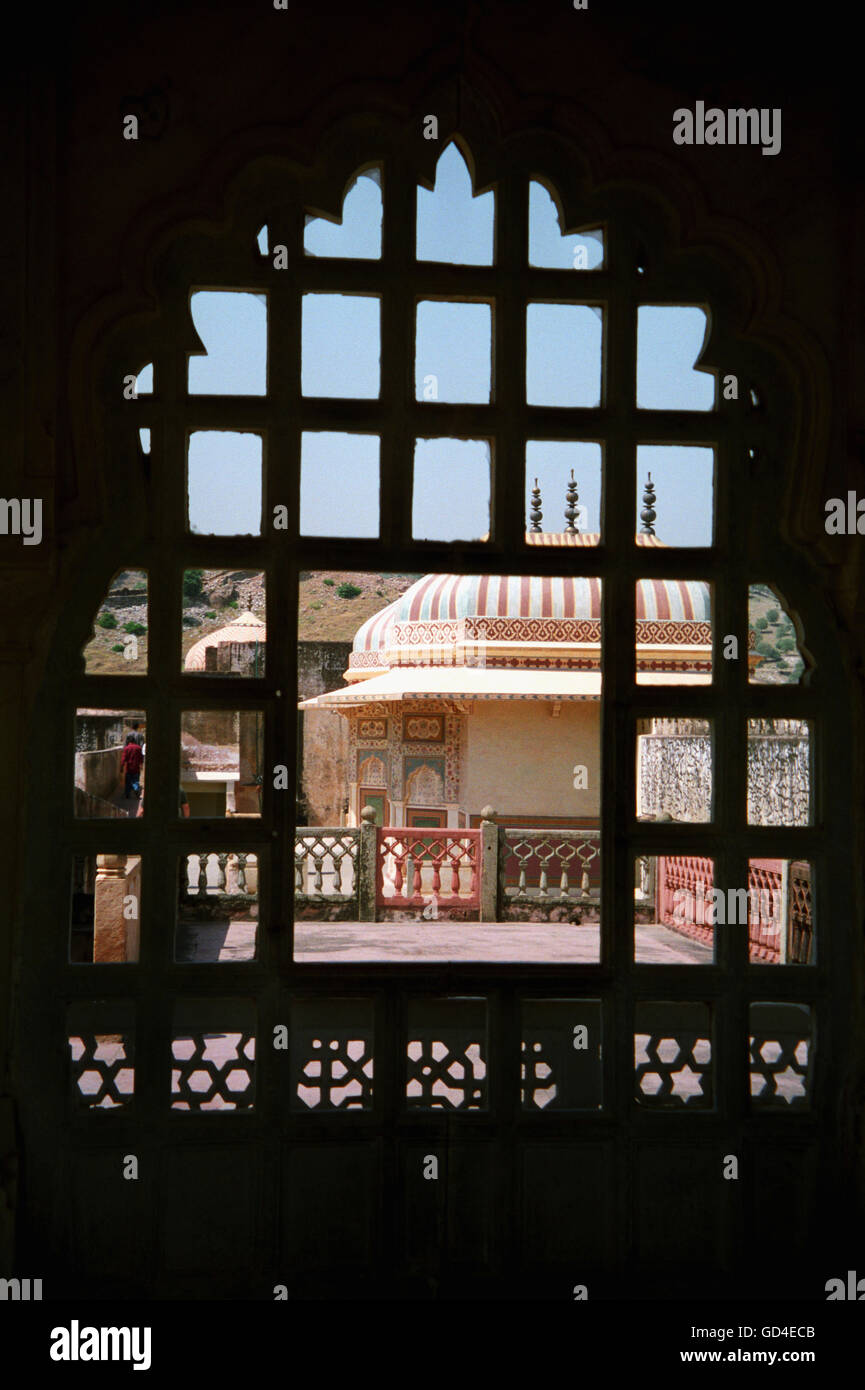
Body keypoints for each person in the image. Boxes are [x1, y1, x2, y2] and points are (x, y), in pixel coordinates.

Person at [120, 734, 144, 799]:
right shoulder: (139, 748)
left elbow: (123, 759)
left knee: (128, 782)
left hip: (128, 768)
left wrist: (121, 767)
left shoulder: (126, 748)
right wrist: (141, 766)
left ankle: (127, 794)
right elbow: (141, 758)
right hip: (136, 768)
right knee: (136, 780)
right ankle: (136, 789)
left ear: (128, 741)